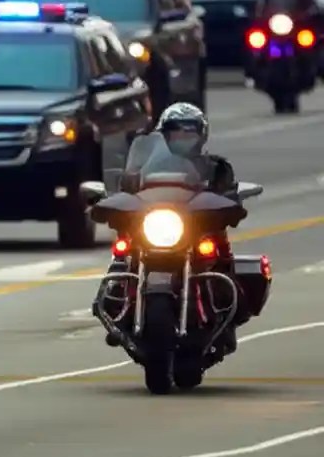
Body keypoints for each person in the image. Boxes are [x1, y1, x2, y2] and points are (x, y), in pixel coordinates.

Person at [96, 103, 239, 354]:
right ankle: (117, 303)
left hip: (194, 228)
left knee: (217, 252)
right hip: (156, 224)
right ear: (164, 134)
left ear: (201, 135)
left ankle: (226, 311)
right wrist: (110, 199)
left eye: (189, 132)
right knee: (124, 250)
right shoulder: (144, 165)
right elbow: (125, 188)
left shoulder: (216, 167)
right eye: (176, 132)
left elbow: (230, 194)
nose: (183, 138)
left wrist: (231, 200)